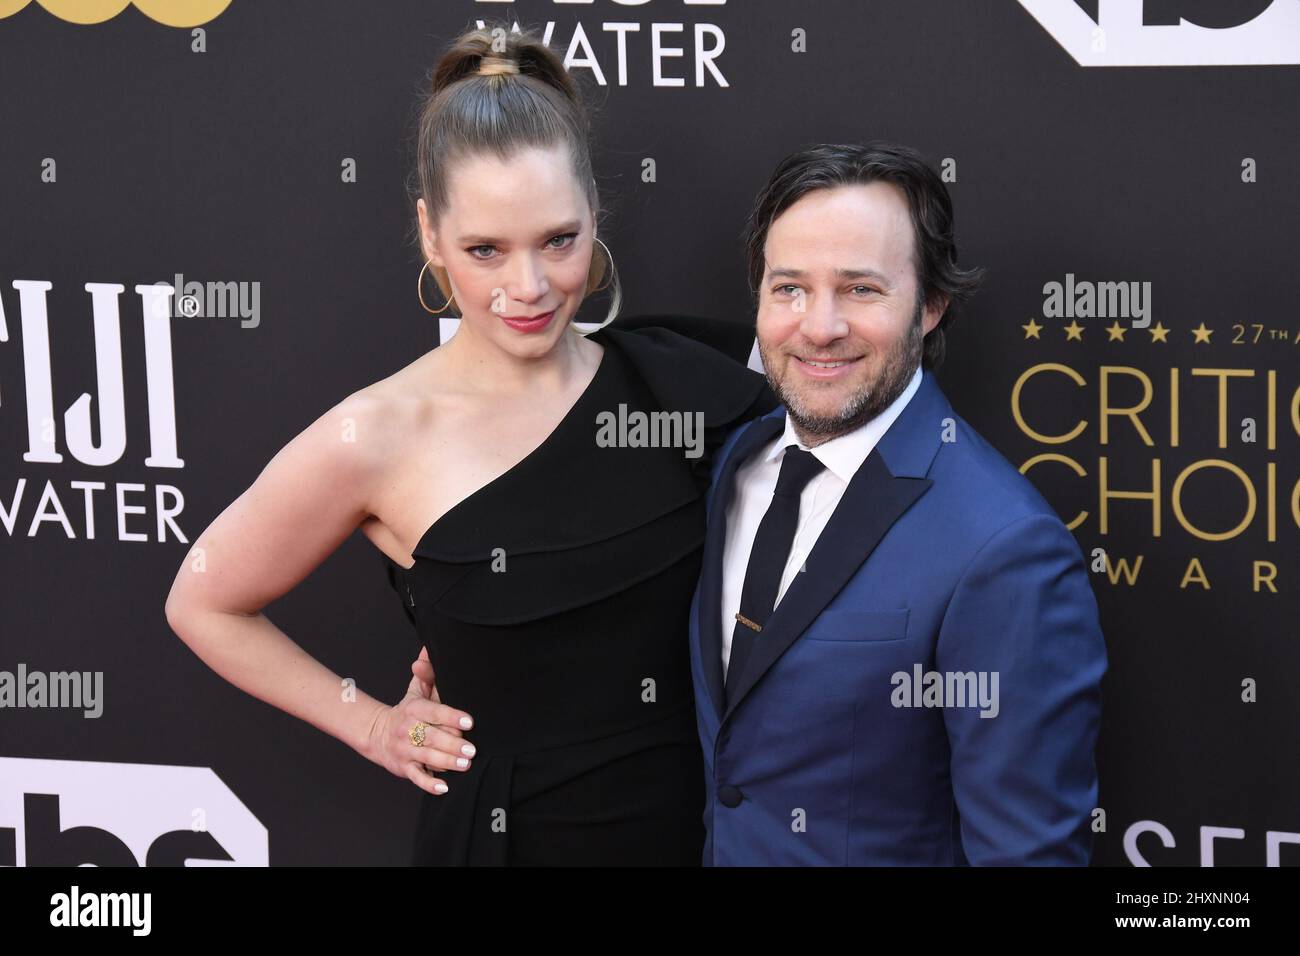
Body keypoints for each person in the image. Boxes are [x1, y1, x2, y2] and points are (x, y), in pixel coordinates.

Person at [164, 26, 775, 865]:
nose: (527, 287)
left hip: (702, 829)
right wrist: (373, 723)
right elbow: (202, 600)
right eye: (485, 250)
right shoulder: (375, 435)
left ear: (594, 215)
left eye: (558, 240)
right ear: (429, 234)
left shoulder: (683, 379)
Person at [684, 142, 1108, 865]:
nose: (819, 327)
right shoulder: (736, 460)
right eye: (789, 288)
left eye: (861, 290)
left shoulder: (1004, 549)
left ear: (931, 304)